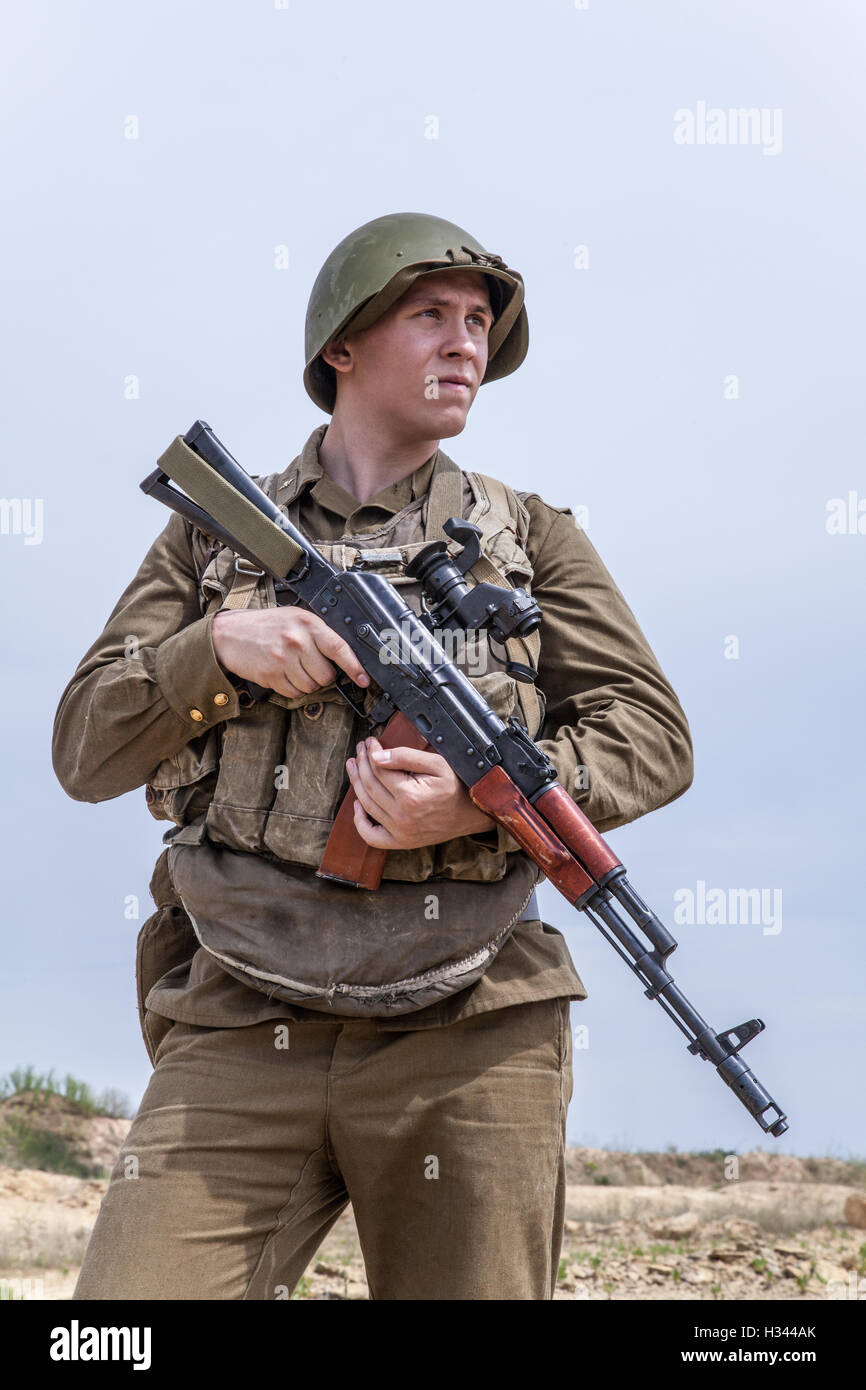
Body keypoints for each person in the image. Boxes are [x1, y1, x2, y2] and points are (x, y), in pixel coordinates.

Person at [52, 212, 693, 1301]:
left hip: (472, 1023)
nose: (465, 346)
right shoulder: (214, 537)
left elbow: (650, 734)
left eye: (480, 324)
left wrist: (476, 804)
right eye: (429, 316)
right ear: (340, 346)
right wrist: (217, 649)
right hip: (239, 1015)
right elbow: (84, 746)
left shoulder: (530, 538)